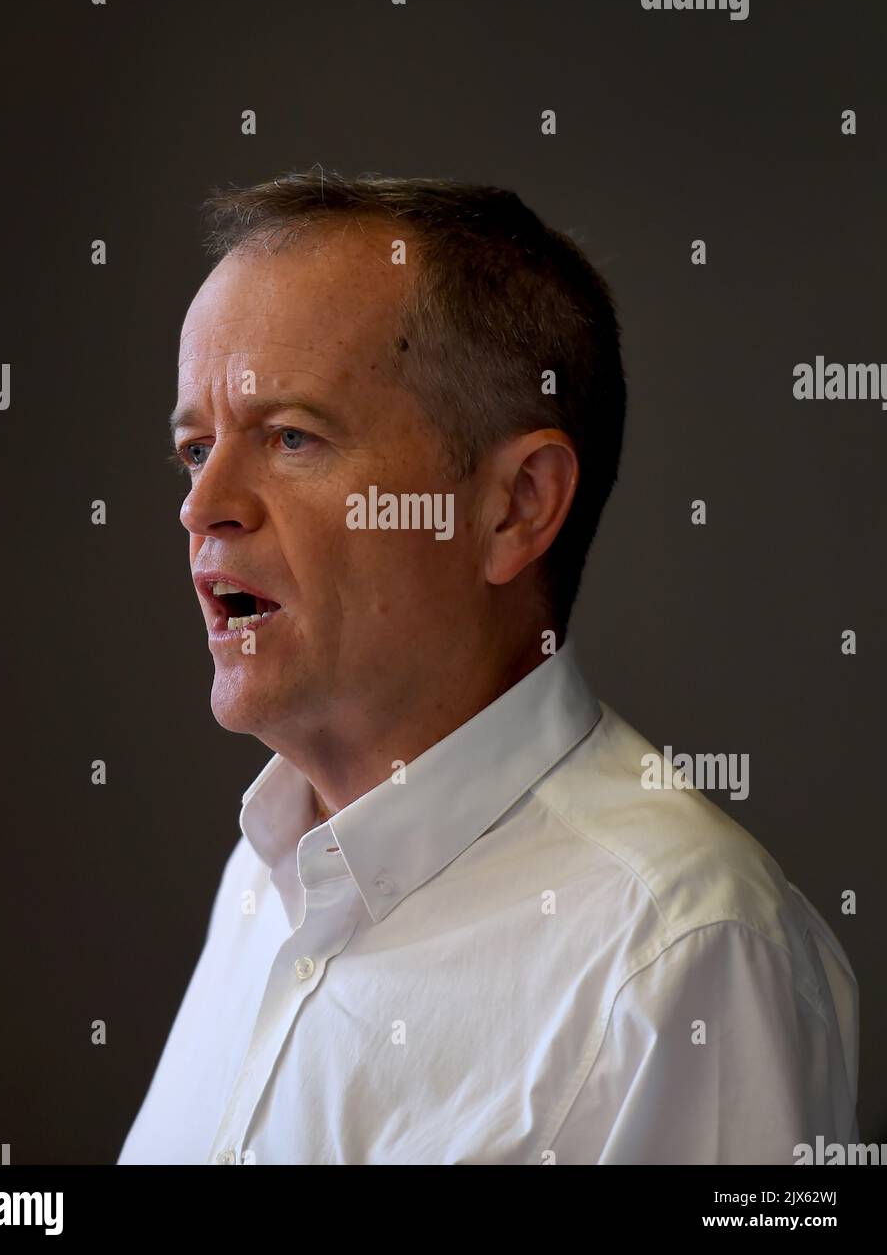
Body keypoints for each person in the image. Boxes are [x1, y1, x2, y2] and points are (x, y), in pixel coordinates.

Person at [118, 170, 859, 1164]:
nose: (203, 503)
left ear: (514, 507)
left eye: (291, 435)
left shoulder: (689, 959)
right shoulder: (262, 879)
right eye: (195, 447)